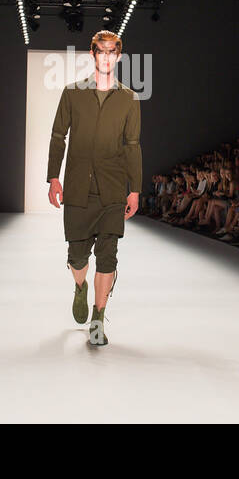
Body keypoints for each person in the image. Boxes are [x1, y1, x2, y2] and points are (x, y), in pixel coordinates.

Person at [47, 30, 142, 347]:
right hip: (77, 183)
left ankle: (98, 318)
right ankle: (80, 287)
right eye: (100, 51)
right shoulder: (73, 93)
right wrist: (53, 177)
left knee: (108, 256)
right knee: (77, 255)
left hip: (113, 187)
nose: (106, 56)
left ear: (118, 56)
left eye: (111, 51)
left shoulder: (129, 98)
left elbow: (132, 144)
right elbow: (58, 135)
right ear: (92, 54)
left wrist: (135, 189)